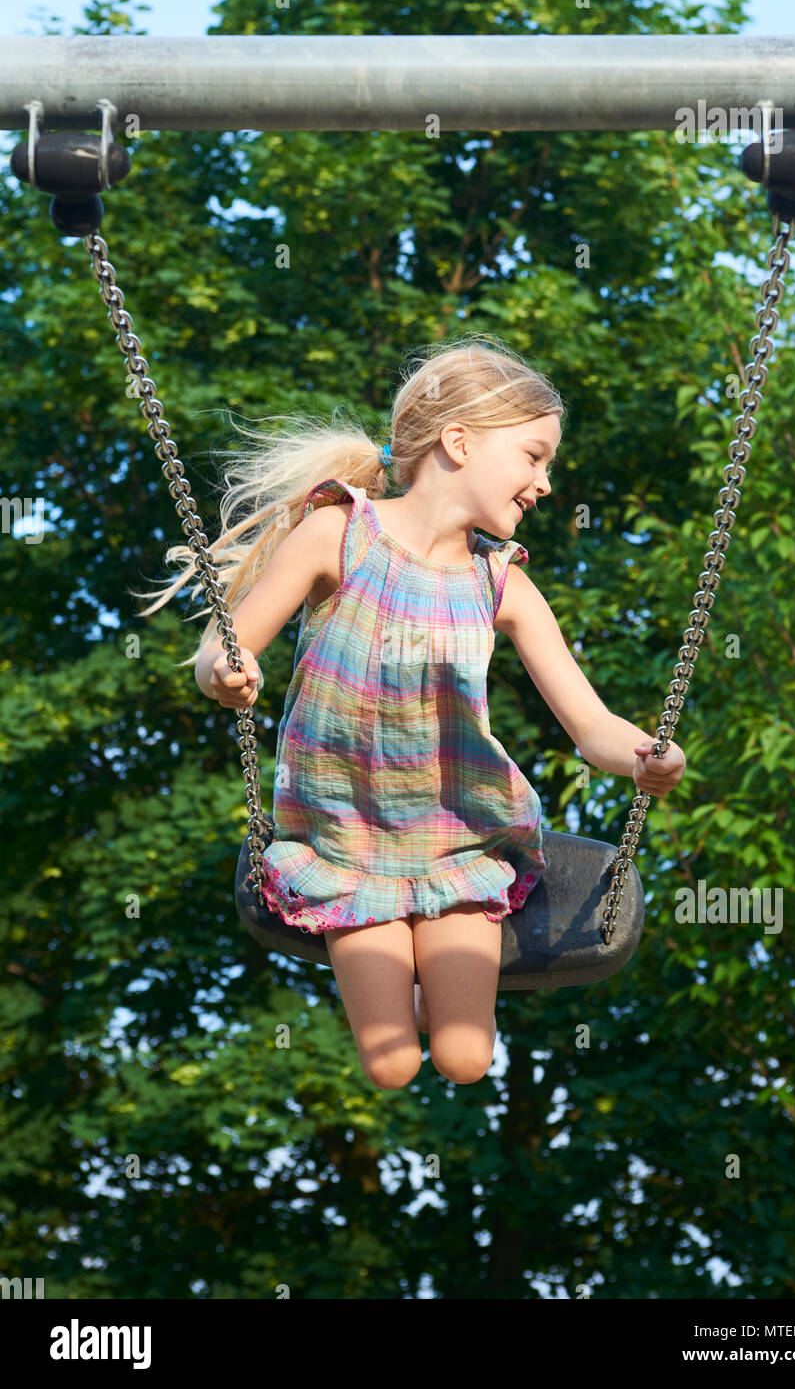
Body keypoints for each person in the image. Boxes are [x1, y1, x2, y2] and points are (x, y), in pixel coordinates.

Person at [133, 335, 685, 1090]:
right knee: (391, 1067)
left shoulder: (502, 586)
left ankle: (437, 975)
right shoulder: (338, 532)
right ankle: (402, 979)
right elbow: (220, 651)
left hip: (459, 846)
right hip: (344, 847)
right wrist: (226, 674)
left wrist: (645, 755)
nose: (545, 482)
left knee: (464, 1059)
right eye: (533, 456)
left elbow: (590, 727)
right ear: (457, 443)